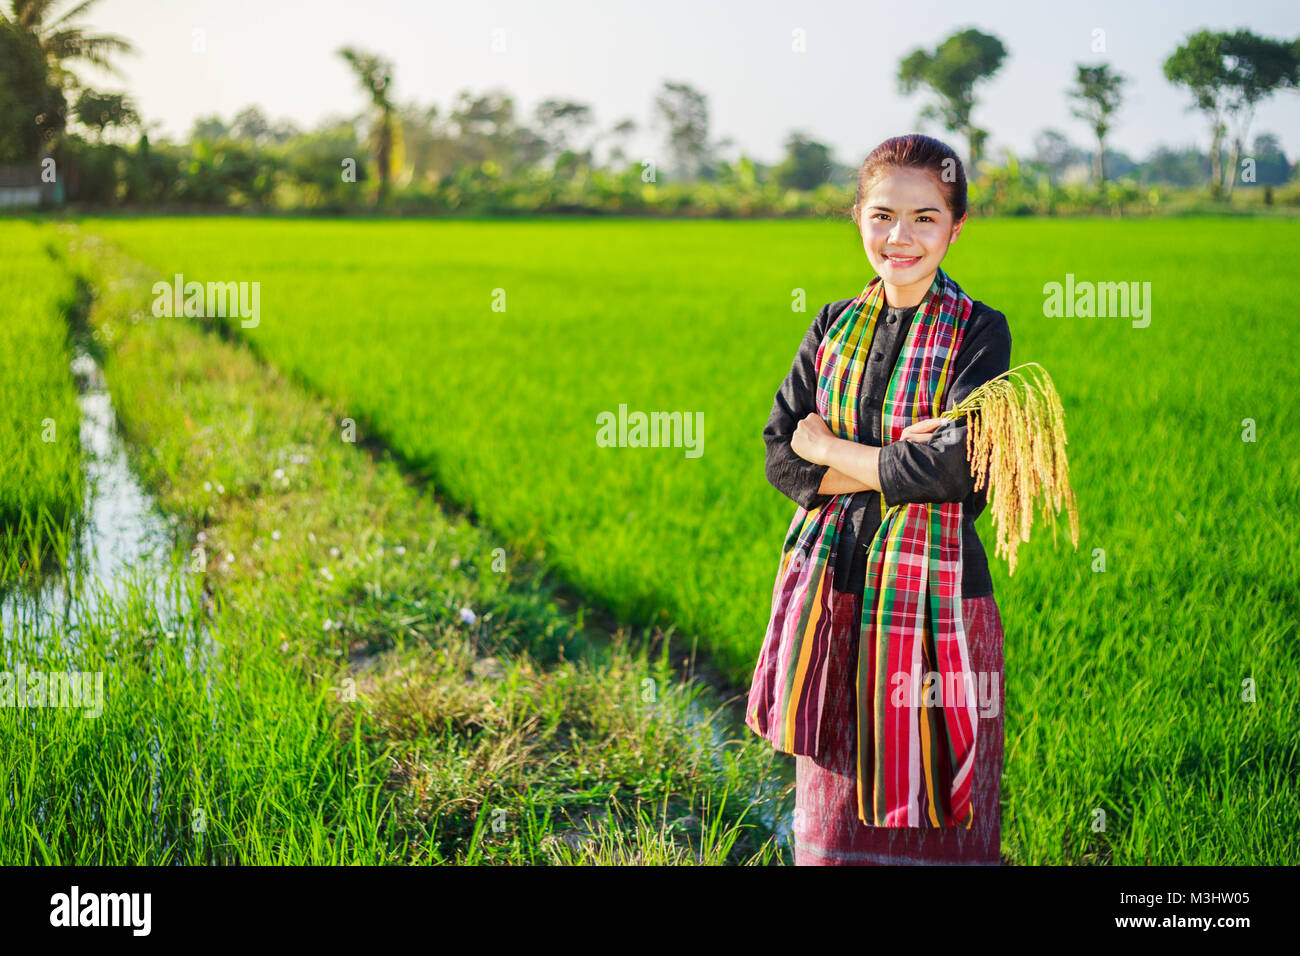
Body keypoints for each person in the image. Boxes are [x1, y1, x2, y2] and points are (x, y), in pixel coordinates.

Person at [746, 133, 1012, 865]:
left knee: (940, 792)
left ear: (956, 228)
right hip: (830, 593)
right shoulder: (832, 324)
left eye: (926, 218)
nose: (901, 237)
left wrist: (830, 449)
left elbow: (960, 468)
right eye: (883, 215)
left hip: (938, 603)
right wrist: (900, 461)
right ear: (858, 218)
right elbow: (778, 455)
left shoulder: (980, 333)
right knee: (833, 817)